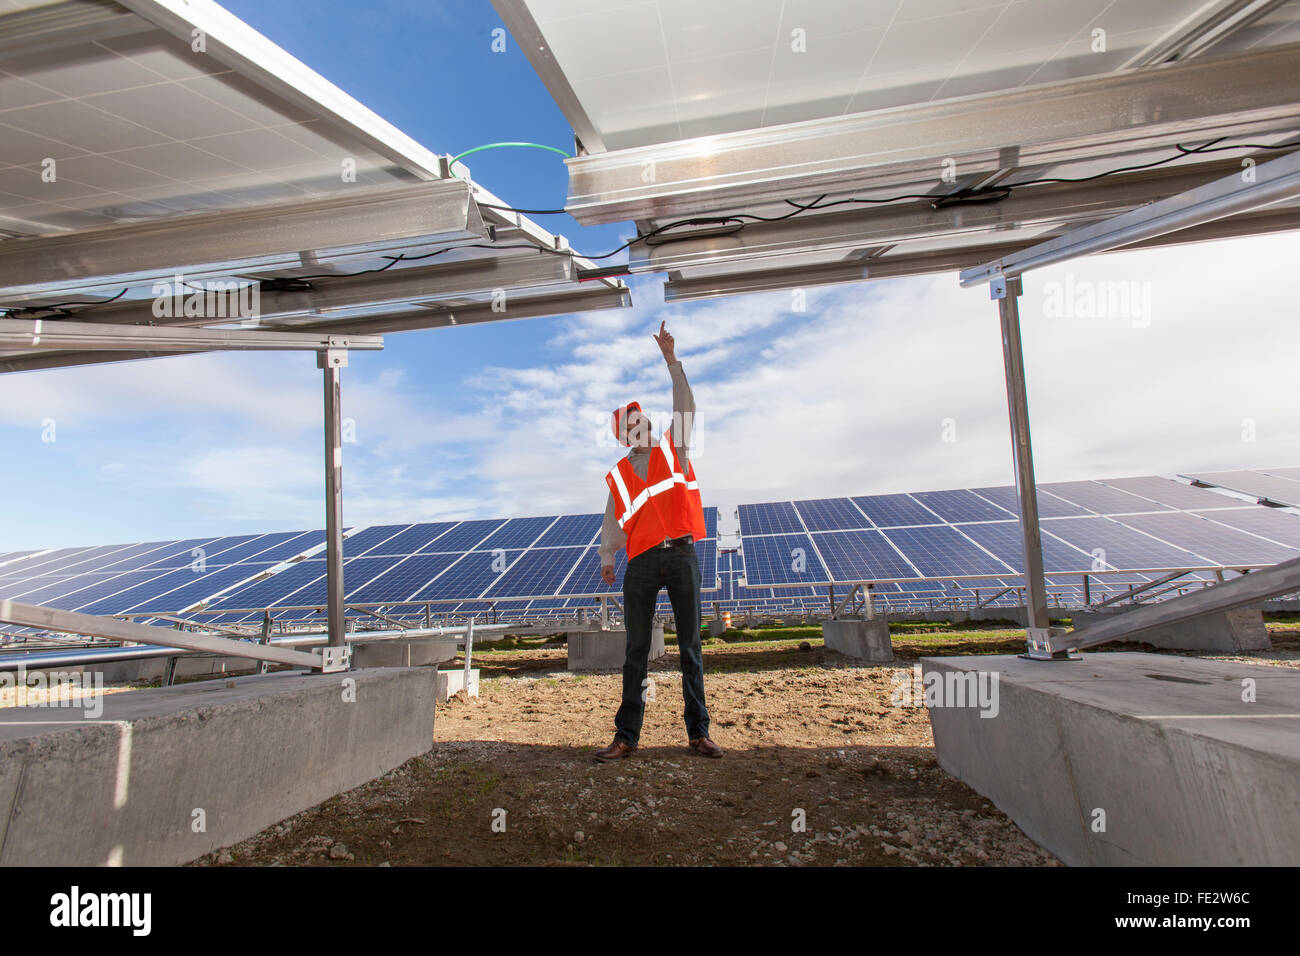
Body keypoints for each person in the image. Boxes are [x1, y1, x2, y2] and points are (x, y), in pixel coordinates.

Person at [593, 321, 723, 762]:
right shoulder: (620, 475)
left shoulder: (675, 448)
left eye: (643, 418)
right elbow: (612, 518)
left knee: (690, 646)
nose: (642, 423)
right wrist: (608, 556)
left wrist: (672, 362)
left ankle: (699, 733)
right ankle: (626, 735)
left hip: (682, 554)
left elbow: (686, 406)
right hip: (642, 564)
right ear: (625, 434)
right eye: (633, 422)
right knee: (635, 650)